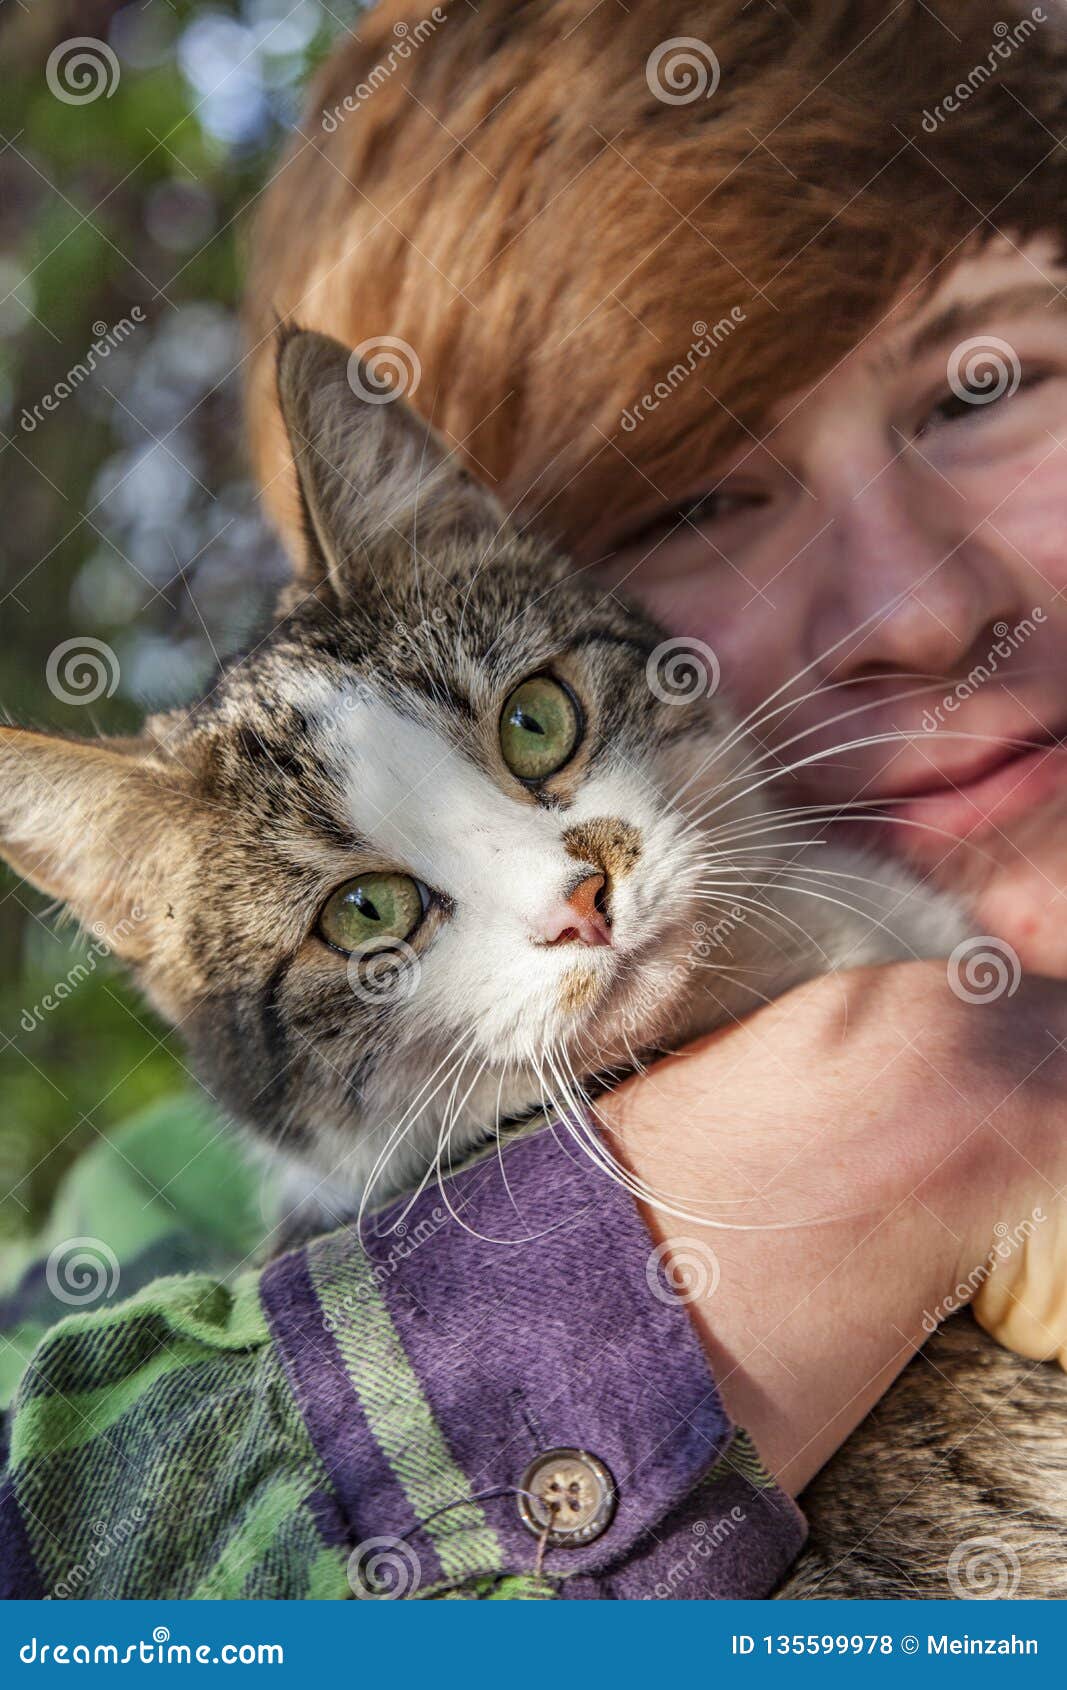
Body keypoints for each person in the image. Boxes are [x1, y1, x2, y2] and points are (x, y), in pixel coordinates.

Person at [3, 0, 1067, 1599]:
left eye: (983, 388)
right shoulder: (153, 1234)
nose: (919, 607)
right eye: (700, 498)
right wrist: (902, 1113)